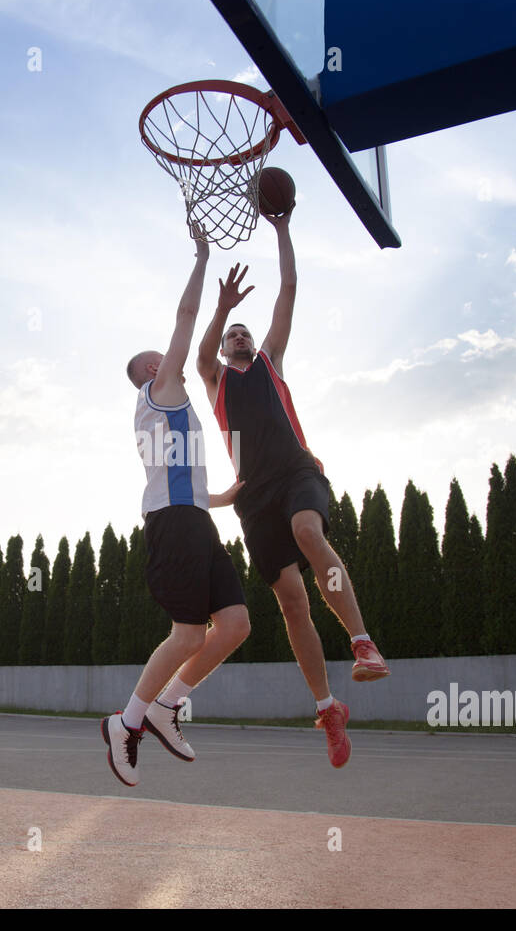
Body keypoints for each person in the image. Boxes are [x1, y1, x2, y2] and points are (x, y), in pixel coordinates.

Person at [194, 205, 389, 770]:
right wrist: (221, 308)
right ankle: (328, 708)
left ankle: (362, 642)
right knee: (291, 601)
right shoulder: (216, 378)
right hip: (253, 495)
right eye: (234, 334)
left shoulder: (271, 362)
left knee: (308, 529)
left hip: (298, 472)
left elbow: (288, 289)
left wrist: (282, 229)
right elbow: (202, 353)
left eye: (244, 331)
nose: (239, 336)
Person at [103, 226, 251, 787]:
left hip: (194, 518)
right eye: (160, 356)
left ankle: (167, 706)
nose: (171, 357)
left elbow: (186, 486)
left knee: (234, 624)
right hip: (173, 525)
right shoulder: (159, 391)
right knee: (188, 633)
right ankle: (128, 720)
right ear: (149, 370)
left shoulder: (176, 408)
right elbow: (185, 319)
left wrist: (227, 496)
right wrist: (203, 257)